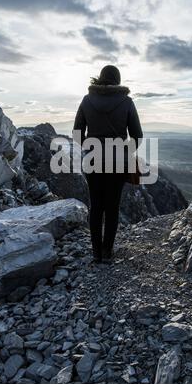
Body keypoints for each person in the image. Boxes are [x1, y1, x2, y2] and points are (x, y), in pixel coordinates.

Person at [73, 65, 143, 264]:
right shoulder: (127, 102)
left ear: (100, 79)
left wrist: (92, 147)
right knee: (112, 207)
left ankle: (95, 252)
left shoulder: (87, 100)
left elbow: (77, 133)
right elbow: (138, 136)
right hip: (118, 162)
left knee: (96, 206)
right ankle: (107, 253)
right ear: (117, 80)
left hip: (93, 161)